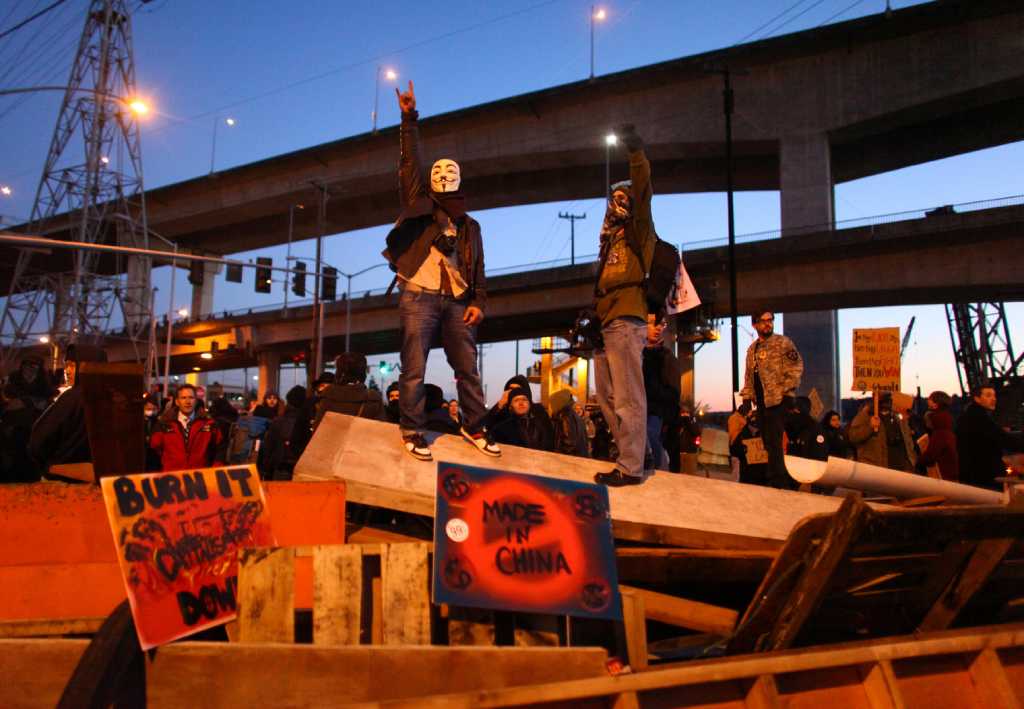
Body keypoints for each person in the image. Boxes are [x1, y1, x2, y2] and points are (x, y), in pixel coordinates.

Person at [384, 80, 498, 462]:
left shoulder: (470, 226)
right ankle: (413, 430)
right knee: (414, 367)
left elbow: (480, 270)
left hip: (457, 301)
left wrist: (479, 302)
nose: (446, 187)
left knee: (468, 368)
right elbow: (408, 166)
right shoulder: (419, 207)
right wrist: (408, 118)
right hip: (419, 294)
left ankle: (474, 425)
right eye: (440, 181)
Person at [592, 123, 656, 488]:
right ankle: (634, 452)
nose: (617, 202)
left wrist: (635, 152)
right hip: (606, 320)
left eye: (623, 197)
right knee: (607, 398)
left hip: (626, 318)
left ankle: (631, 466)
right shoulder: (608, 240)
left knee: (628, 397)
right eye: (613, 197)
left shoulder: (639, 231)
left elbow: (644, 191)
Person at [739, 310, 803, 489]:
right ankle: (776, 476)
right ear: (755, 324)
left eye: (770, 320)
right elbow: (749, 376)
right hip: (762, 403)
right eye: (763, 321)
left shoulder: (783, 342)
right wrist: (746, 398)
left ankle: (778, 480)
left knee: (775, 442)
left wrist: (788, 392)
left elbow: (796, 366)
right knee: (768, 441)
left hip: (778, 400)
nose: (768, 324)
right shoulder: (752, 349)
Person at [28, 343, 107, 477]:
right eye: (66, 365)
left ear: (85, 365)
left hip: (66, 475)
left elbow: (39, 440)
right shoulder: (117, 397)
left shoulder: (73, 397)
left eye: (72, 365)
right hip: (106, 477)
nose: (67, 370)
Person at [956, 385, 1024, 490]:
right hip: (984, 475)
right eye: (988, 395)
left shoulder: (970, 416)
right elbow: (1004, 439)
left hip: (973, 473)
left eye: (994, 395)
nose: (994, 399)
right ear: (977, 399)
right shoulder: (980, 419)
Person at [149, 383, 223, 471]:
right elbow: (154, 450)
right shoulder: (163, 424)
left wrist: (216, 468)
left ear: (196, 401)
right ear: (177, 402)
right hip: (172, 478)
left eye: (191, 398)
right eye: (183, 398)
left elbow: (220, 448)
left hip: (200, 478)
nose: (188, 401)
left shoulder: (209, 424)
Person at [642, 312, 680, 472]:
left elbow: (673, 393)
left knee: (650, 435)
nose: (657, 328)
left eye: (661, 324)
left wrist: (653, 391)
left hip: (657, 413)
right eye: (652, 323)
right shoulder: (636, 354)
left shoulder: (667, 357)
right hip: (638, 409)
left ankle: (659, 469)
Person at [313, 353, 386, 429]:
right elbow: (381, 431)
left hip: (332, 440)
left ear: (339, 371)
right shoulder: (372, 398)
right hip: (362, 440)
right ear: (362, 372)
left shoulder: (327, 395)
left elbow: (317, 430)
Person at [848, 393, 917, 472]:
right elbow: (853, 436)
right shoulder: (866, 415)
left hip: (900, 466)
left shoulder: (897, 416)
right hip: (877, 468)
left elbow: (907, 440)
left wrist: (911, 461)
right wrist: (870, 426)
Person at [260, 385, 307, 481]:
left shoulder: (279, 421)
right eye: (269, 398)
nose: (272, 401)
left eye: (274, 398)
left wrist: (265, 470)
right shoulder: (307, 422)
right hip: (301, 470)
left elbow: (268, 448)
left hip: (281, 468)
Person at [488, 385, 554, 451]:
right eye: (516, 400)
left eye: (524, 399)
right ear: (510, 407)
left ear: (529, 404)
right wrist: (500, 403)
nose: (521, 403)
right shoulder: (502, 428)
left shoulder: (542, 423)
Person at [918, 390, 958, 482]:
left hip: (942, 476)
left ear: (935, 404)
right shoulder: (947, 426)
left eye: (930, 399)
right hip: (950, 474)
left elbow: (931, 455)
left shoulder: (940, 430)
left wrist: (919, 462)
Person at [785, 396, 828, 462]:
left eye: (793, 409)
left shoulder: (815, 428)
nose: (790, 412)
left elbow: (819, 454)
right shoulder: (790, 427)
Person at [550, 389, 589, 458]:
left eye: (552, 403)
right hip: (580, 458)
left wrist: (559, 458)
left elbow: (569, 444)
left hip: (570, 461)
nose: (551, 407)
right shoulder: (573, 415)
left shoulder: (566, 417)